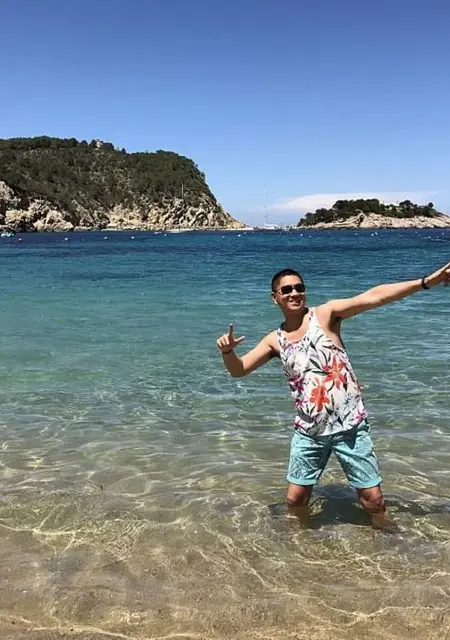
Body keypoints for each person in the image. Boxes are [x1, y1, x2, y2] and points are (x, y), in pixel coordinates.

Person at [216, 261, 450, 528]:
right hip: (309, 431)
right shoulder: (275, 340)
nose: (295, 293)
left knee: (373, 501)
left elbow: (374, 297)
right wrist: (228, 352)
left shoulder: (325, 315)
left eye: (299, 287)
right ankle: (299, 542)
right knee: (295, 500)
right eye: (287, 290)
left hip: (350, 426)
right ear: (275, 297)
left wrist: (426, 282)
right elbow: (239, 370)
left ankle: (393, 540)